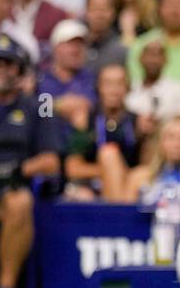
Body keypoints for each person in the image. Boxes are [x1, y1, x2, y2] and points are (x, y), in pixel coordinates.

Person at [0, 34, 61, 288]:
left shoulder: (37, 107)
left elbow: (51, 160)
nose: (2, 69)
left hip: (13, 188)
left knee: (19, 203)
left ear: (19, 70)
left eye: (8, 64)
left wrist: (16, 170)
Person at [63, 64, 147, 203]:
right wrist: (111, 171)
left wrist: (145, 137)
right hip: (93, 187)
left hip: (131, 190)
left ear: (128, 88)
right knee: (109, 154)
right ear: (99, 87)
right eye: (108, 84)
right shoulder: (85, 121)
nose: (114, 90)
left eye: (119, 84)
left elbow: (148, 170)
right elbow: (73, 169)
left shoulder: (139, 122)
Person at [124, 115, 180, 205]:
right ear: (159, 142)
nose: (178, 144)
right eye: (171, 137)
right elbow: (126, 216)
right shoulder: (137, 177)